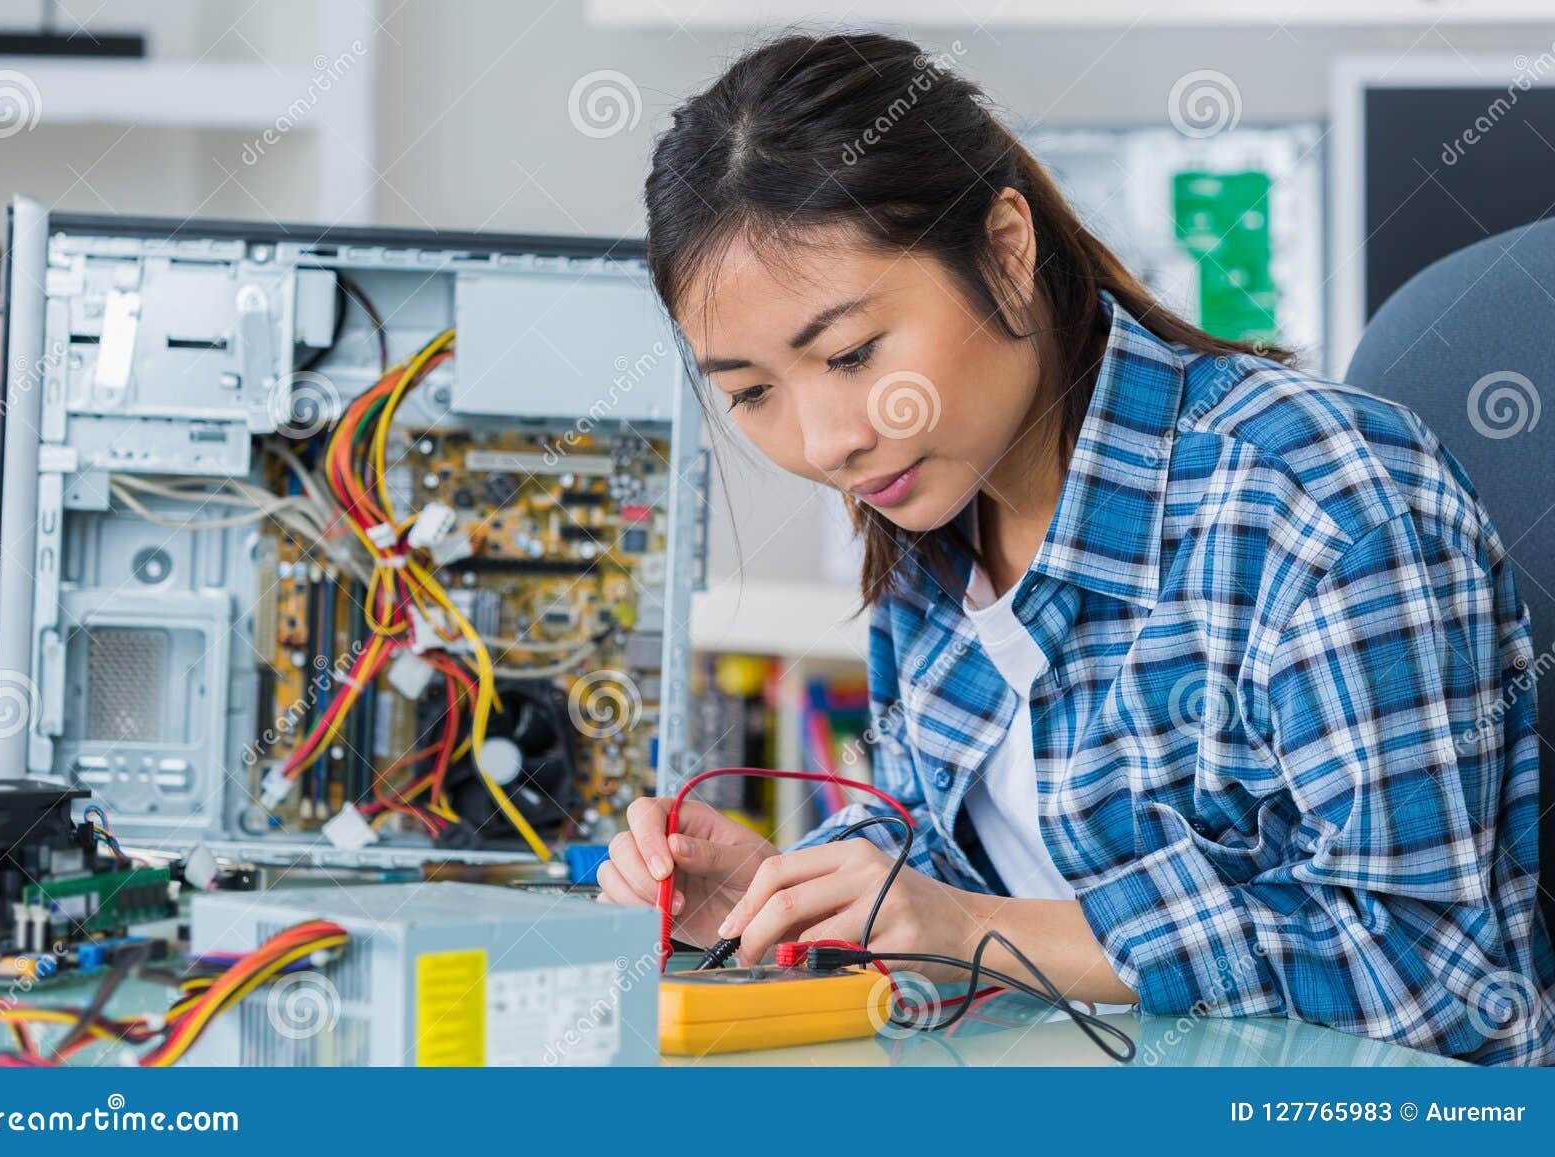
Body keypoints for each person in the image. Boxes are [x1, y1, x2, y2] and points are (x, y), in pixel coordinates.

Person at [595, 30, 1555, 1064]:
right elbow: (952, 854)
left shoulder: (1318, 502)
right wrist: (784, 896)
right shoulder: (929, 514)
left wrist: (972, 930)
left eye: (853, 352)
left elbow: (1434, 974)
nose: (825, 440)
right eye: (750, 393)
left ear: (1005, 249)